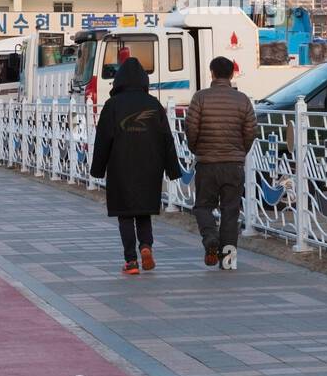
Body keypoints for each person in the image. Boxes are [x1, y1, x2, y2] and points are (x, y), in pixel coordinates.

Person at [90, 57, 181, 276]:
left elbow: (103, 139)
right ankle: (146, 246)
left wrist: (97, 169)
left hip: (120, 167)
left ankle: (131, 261)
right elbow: (166, 139)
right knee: (144, 212)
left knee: (125, 214)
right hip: (150, 167)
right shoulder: (153, 105)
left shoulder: (112, 105)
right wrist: (173, 169)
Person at [185, 56, 257, 270]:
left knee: (203, 206)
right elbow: (251, 130)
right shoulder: (242, 100)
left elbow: (191, 128)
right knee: (231, 211)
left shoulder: (200, 98)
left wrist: (196, 148)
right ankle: (228, 260)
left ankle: (210, 239)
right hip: (233, 164)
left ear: (212, 73)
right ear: (232, 74)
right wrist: (240, 151)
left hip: (207, 163)